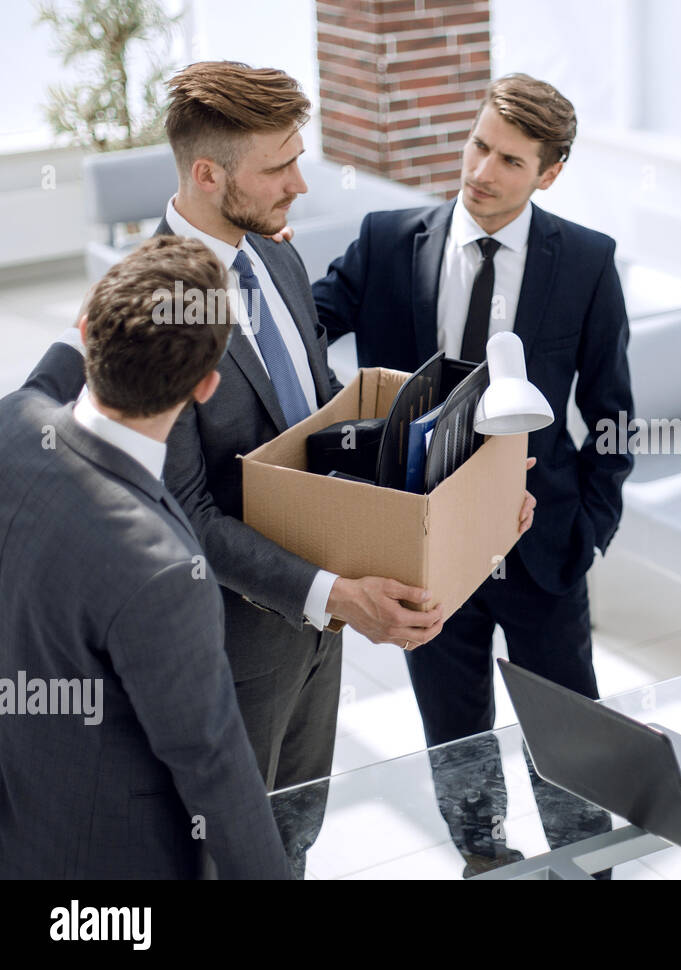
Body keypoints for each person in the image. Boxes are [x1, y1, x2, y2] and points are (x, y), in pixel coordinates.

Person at [38, 61, 456, 878]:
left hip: (316, 643)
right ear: (206, 174)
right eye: (278, 167)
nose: (300, 184)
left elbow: (327, 419)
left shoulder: (279, 260)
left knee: (295, 839)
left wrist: (455, 481)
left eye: (300, 158)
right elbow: (182, 509)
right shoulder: (150, 309)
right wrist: (333, 594)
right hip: (227, 651)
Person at [312, 73, 632, 873]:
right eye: (479, 145)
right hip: (423, 555)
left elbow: (614, 411)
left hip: (544, 549)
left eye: (511, 161)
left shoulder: (588, 263)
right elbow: (299, 325)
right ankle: (483, 858)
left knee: (570, 740)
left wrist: (589, 531)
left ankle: (582, 861)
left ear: (549, 174)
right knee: (454, 733)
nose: (482, 171)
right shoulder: (388, 242)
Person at [0, 237, 291, 879]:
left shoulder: (13, 423)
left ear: (85, 329)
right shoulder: (160, 567)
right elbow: (214, 767)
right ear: (207, 385)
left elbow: (51, 373)